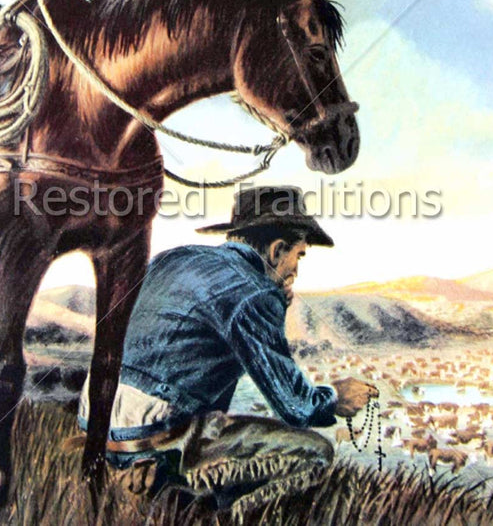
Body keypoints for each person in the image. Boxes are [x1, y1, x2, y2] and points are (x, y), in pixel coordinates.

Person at [78, 185, 378, 514]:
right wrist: (335, 397)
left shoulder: (173, 258)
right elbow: (297, 408)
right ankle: (216, 513)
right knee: (316, 453)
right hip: (153, 433)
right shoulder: (255, 294)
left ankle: (164, 485)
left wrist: (271, 302)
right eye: (299, 255)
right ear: (277, 250)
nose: (296, 270)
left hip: (95, 422)